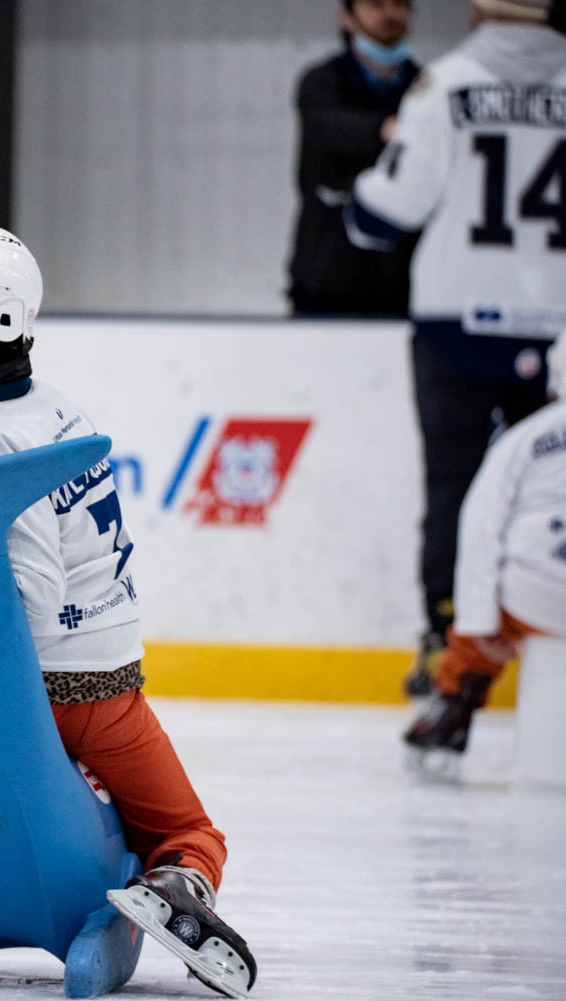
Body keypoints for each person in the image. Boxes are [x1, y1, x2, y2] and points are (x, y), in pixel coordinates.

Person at [0, 226, 257, 1000]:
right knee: (187, 829)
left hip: (13, 702)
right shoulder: (58, 411)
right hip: (106, 699)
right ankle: (176, 880)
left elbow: (23, 597)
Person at [345, 0, 566, 695]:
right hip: (558, 327)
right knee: (554, 484)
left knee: (456, 486)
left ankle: (448, 639)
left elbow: (387, 211)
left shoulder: (447, 83)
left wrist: (357, 204)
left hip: (458, 323)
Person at [404, 332, 566, 773]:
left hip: (532, 596)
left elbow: (480, 530)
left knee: (475, 644)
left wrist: (479, 623)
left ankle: (454, 709)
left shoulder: (523, 438)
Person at [288, 0, 420, 317]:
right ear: (347, 17)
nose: (390, 14)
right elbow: (329, 129)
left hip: (404, 278)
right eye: (376, 4)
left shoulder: (426, 86)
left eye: (400, 4)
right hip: (327, 279)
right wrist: (384, 130)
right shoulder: (322, 81)